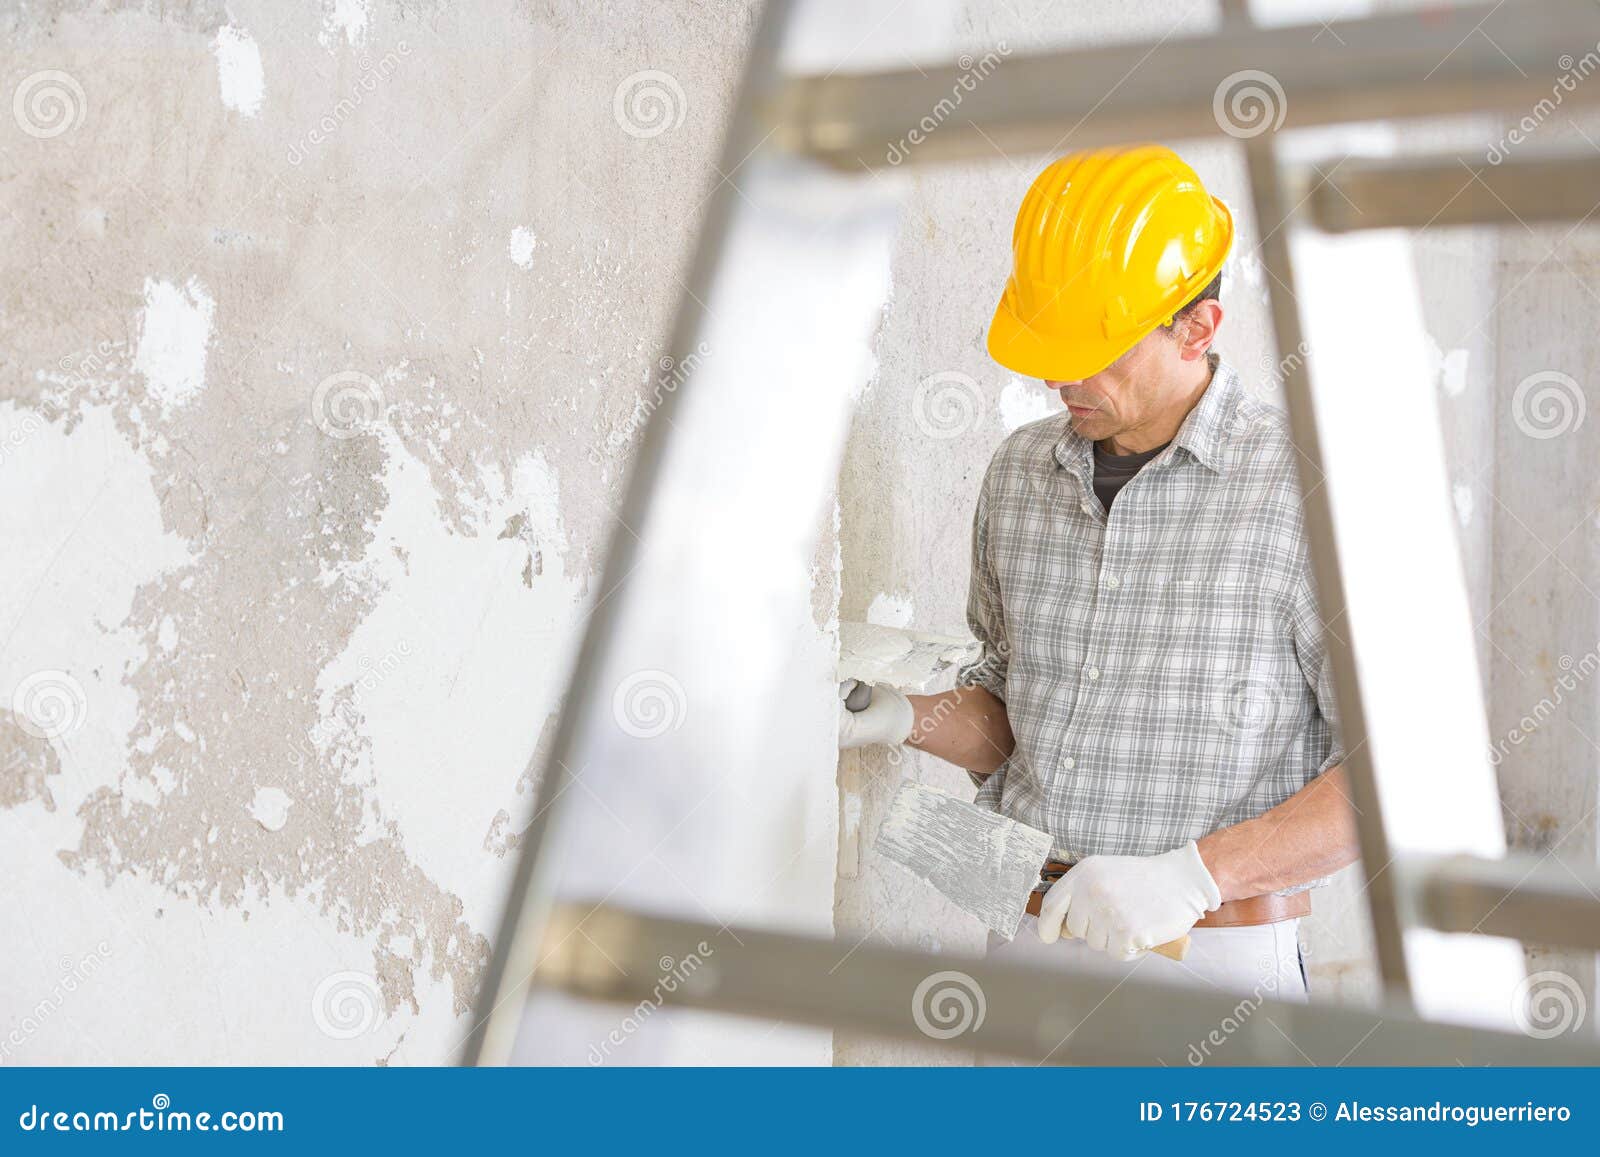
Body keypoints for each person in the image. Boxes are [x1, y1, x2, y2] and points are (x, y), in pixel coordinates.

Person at [840, 144, 1356, 1000]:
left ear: (1197, 327)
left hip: (1206, 969)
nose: (1058, 376)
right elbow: (1020, 715)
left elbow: (1393, 785)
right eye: (1052, 343)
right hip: (1024, 933)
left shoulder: (1305, 487)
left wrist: (1193, 875)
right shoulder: (1019, 474)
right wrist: (900, 717)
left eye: (1095, 348)